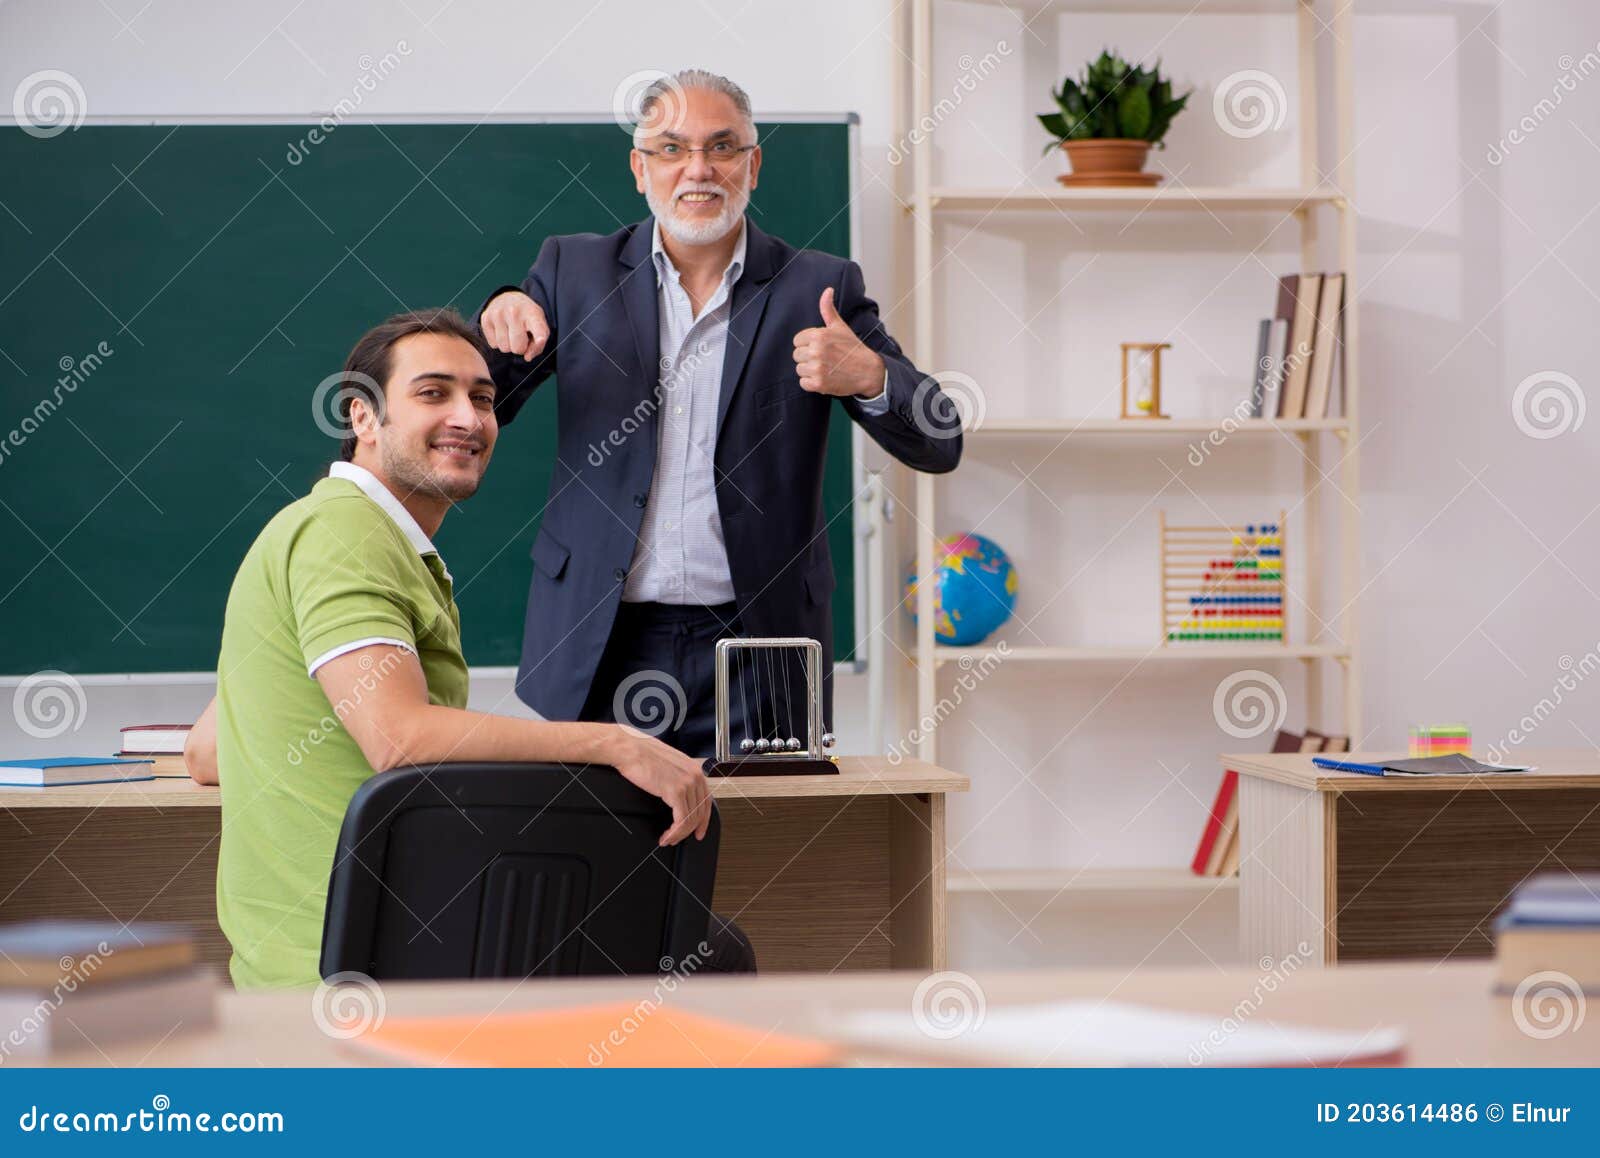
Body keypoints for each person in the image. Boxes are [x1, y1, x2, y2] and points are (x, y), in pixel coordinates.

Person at [184, 309, 751, 988]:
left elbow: (206, 752)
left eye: (482, 399)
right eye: (433, 393)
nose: (469, 418)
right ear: (363, 417)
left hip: (333, 952)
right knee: (709, 951)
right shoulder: (345, 535)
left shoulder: (342, 532)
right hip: (371, 965)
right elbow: (397, 738)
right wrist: (613, 742)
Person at [477, 69, 962, 757]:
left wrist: (872, 376)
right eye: (672, 149)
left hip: (760, 646)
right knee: (602, 828)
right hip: (599, 638)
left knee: (761, 830)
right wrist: (499, 314)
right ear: (640, 168)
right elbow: (477, 402)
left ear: (753, 165)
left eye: (723, 147)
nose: (698, 169)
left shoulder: (819, 287)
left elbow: (941, 442)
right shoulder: (571, 272)